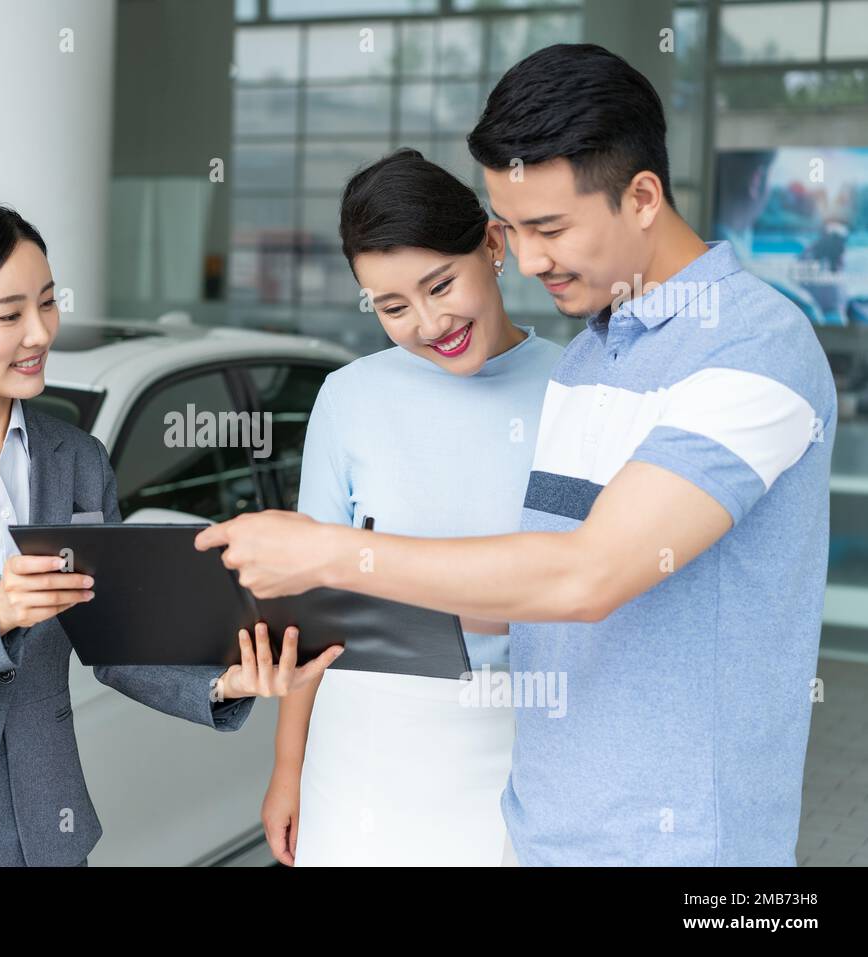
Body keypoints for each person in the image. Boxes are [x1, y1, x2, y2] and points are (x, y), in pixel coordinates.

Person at [198, 44, 837, 867]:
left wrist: (332, 552)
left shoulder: (755, 345)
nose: (531, 260)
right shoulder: (587, 361)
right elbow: (522, 609)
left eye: (550, 227)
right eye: (514, 227)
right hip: (538, 833)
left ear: (642, 196)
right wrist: (284, 618)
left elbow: (584, 576)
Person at [0, 195, 339, 867]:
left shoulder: (76, 457)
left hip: (40, 827)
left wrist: (224, 681)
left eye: (46, 303)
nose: (39, 332)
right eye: (9, 314)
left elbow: (112, 639)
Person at [261, 149, 561, 866]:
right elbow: (313, 603)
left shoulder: (575, 387)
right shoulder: (349, 398)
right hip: (359, 741)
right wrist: (286, 770)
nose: (428, 322)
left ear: (494, 246)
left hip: (518, 734)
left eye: (440, 285)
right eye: (393, 306)